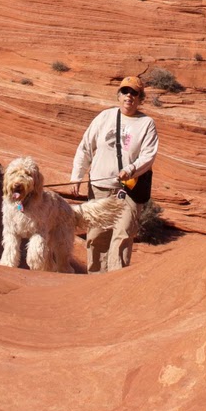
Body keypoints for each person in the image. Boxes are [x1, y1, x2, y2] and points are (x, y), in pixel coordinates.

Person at [71, 76, 158, 271]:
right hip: (99, 188)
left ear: (140, 98)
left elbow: (148, 155)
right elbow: (85, 147)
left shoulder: (146, 124)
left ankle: (114, 283)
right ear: (118, 95)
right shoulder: (105, 117)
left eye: (134, 92)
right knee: (96, 237)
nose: (129, 96)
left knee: (122, 236)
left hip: (128, 190)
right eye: (125, 91)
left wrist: (130, 169)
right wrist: (77, 175)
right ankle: (96, 281)